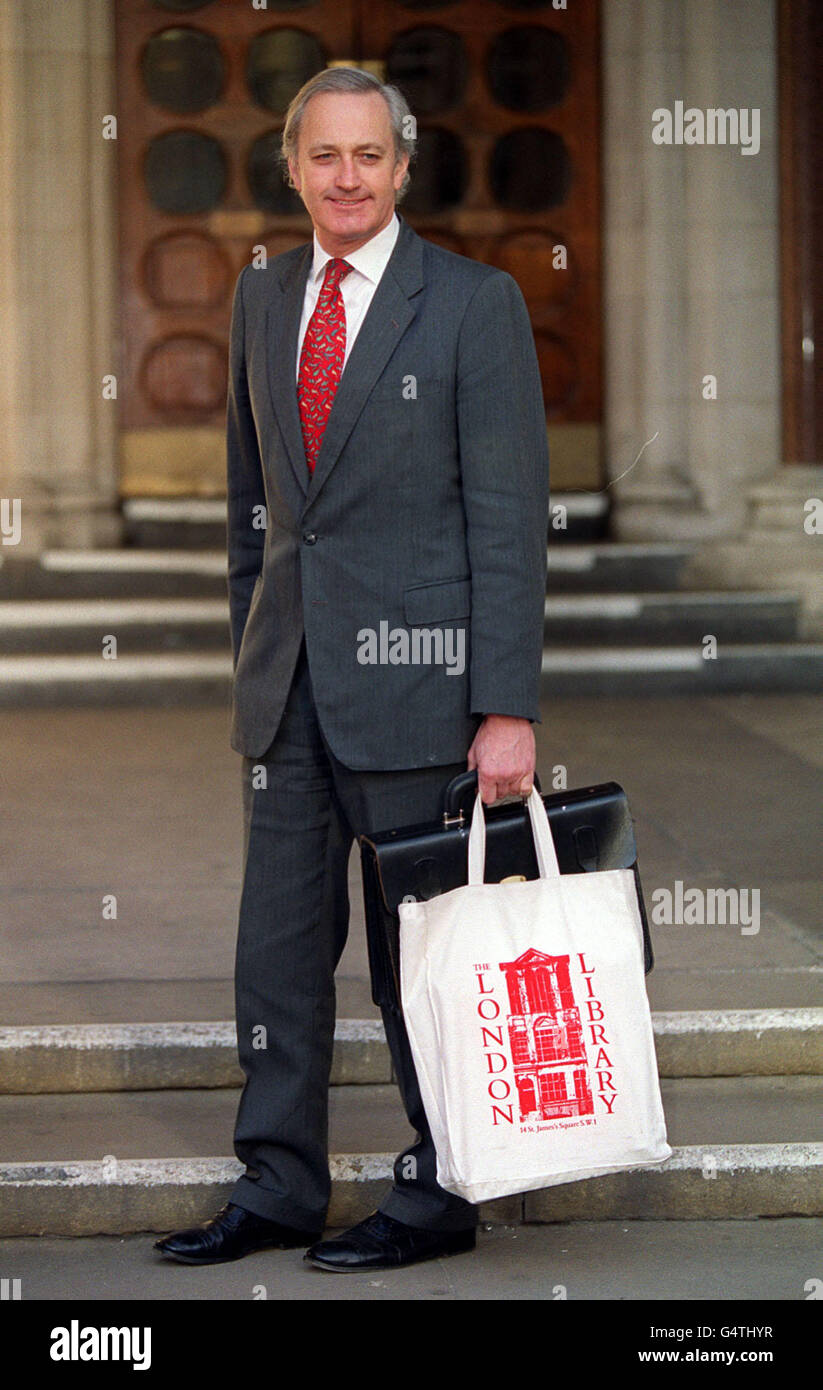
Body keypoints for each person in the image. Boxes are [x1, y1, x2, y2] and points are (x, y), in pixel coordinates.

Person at [155, 65, 549, 1272]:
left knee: (418, 961)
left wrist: (505, 708)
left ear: (402, 165)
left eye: (367, 156)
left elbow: (506, 517)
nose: (345, 176)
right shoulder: (264, 294)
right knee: (275, 957)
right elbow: (253, 512)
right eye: (323, 156)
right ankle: (276, 1183)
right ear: (291, 166)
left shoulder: (473, 305)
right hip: (287, 693)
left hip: (423, 692)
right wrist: (252, 645)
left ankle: (436, 1196)